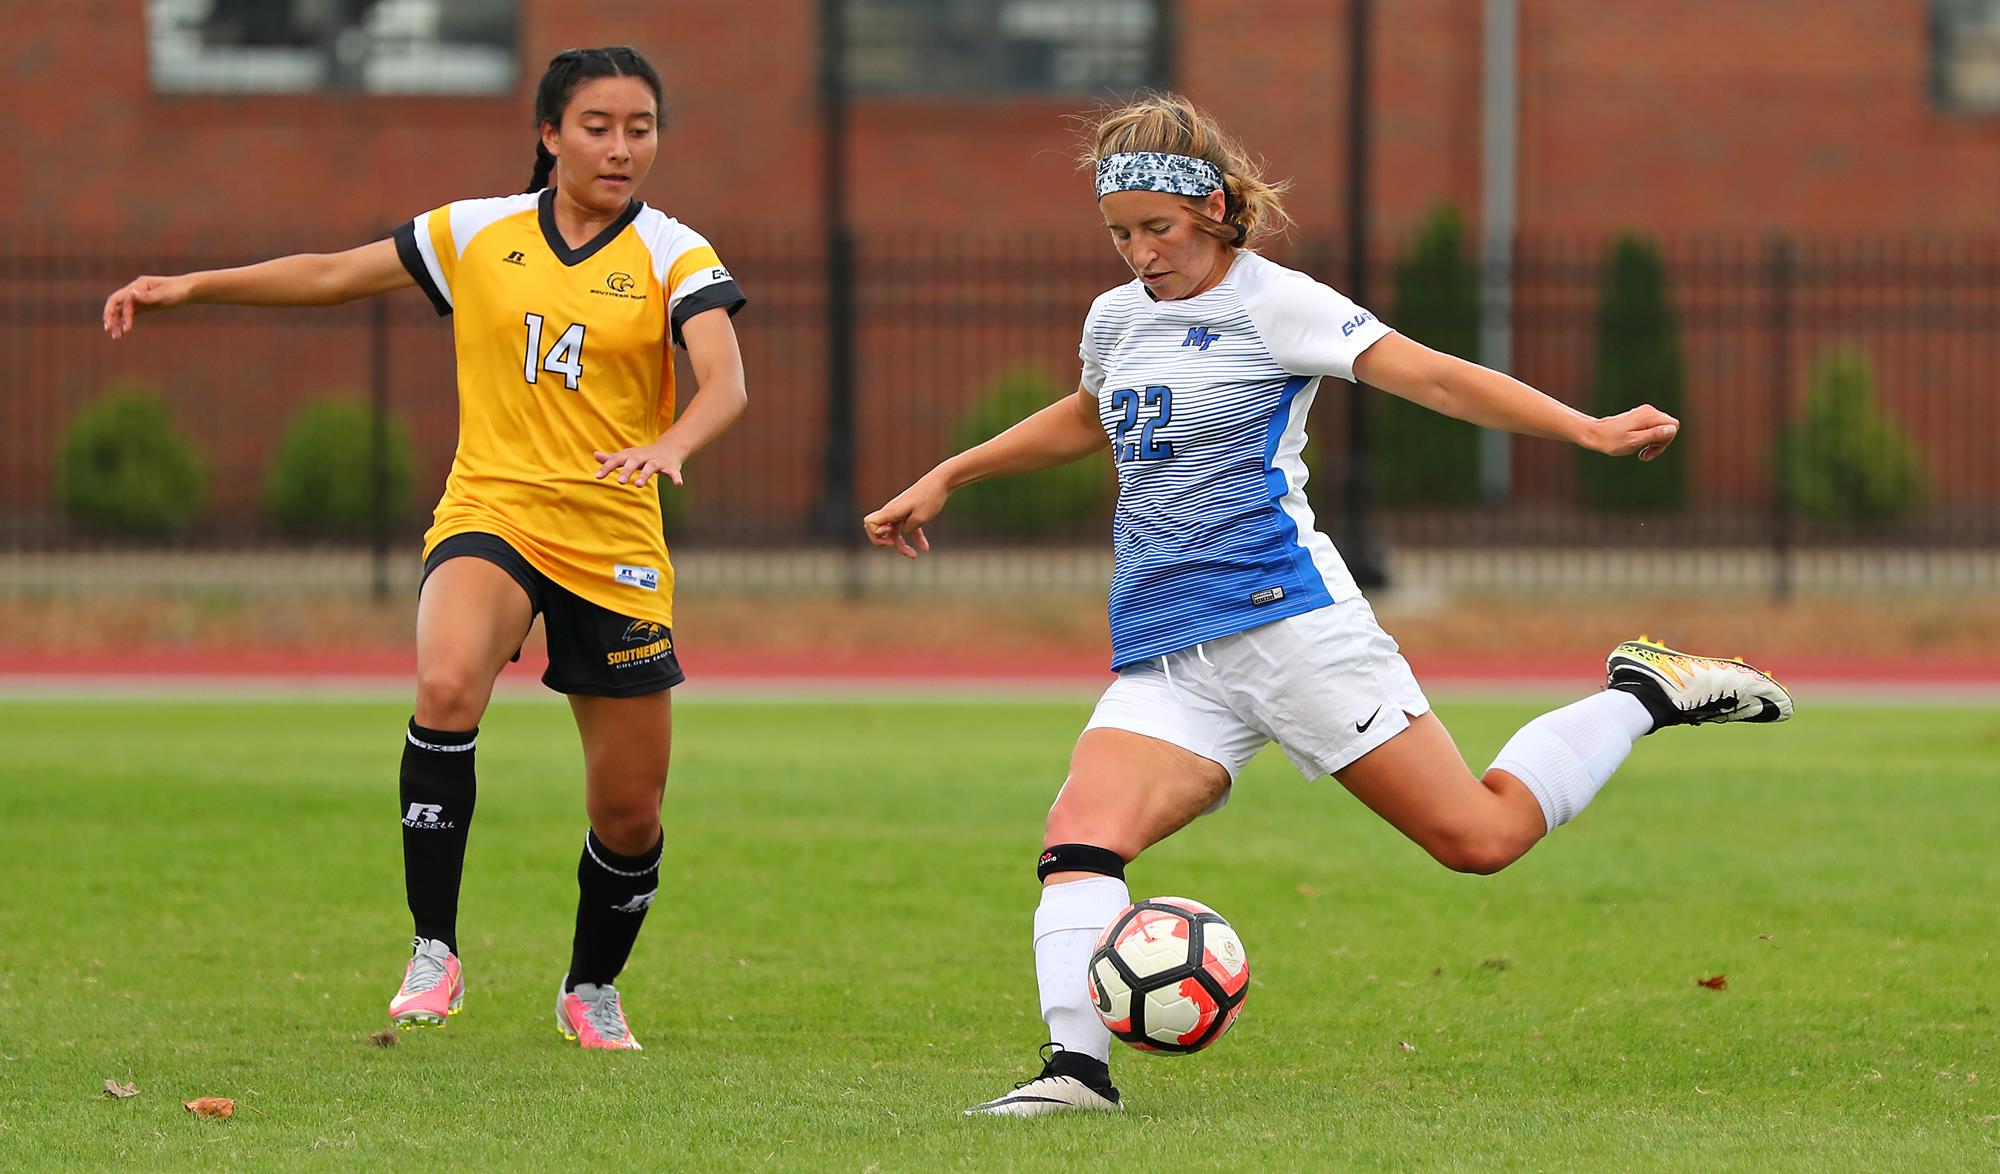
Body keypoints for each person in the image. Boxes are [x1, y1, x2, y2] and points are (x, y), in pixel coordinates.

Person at [862, 93, 1792, 1115]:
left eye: (1157, 228)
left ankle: (1643, 692)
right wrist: (951, 472)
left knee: (1478, 839)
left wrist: (1587, 429)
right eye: (1119, 233)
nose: (1139, 253)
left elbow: (1434, 380)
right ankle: (1075, 1074)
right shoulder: (1115, 317)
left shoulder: (1275, 303)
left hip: (1289, 628)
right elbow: (1089, 417)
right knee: (1076, 840)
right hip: (1169, 650)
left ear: (1216, 209)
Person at [102, 46, 747, 1051]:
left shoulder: (674, 251)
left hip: (613, 538)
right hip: (492, 511)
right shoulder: (475, 231)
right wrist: (190, 286)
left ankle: (590, 986)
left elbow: (725, 381)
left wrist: (673, 443)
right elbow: (330, 272)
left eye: (641, 127)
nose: (622, 147)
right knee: (445, 685)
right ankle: (434, 949)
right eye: (598, 127)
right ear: (550, 135)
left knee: (630, 811)